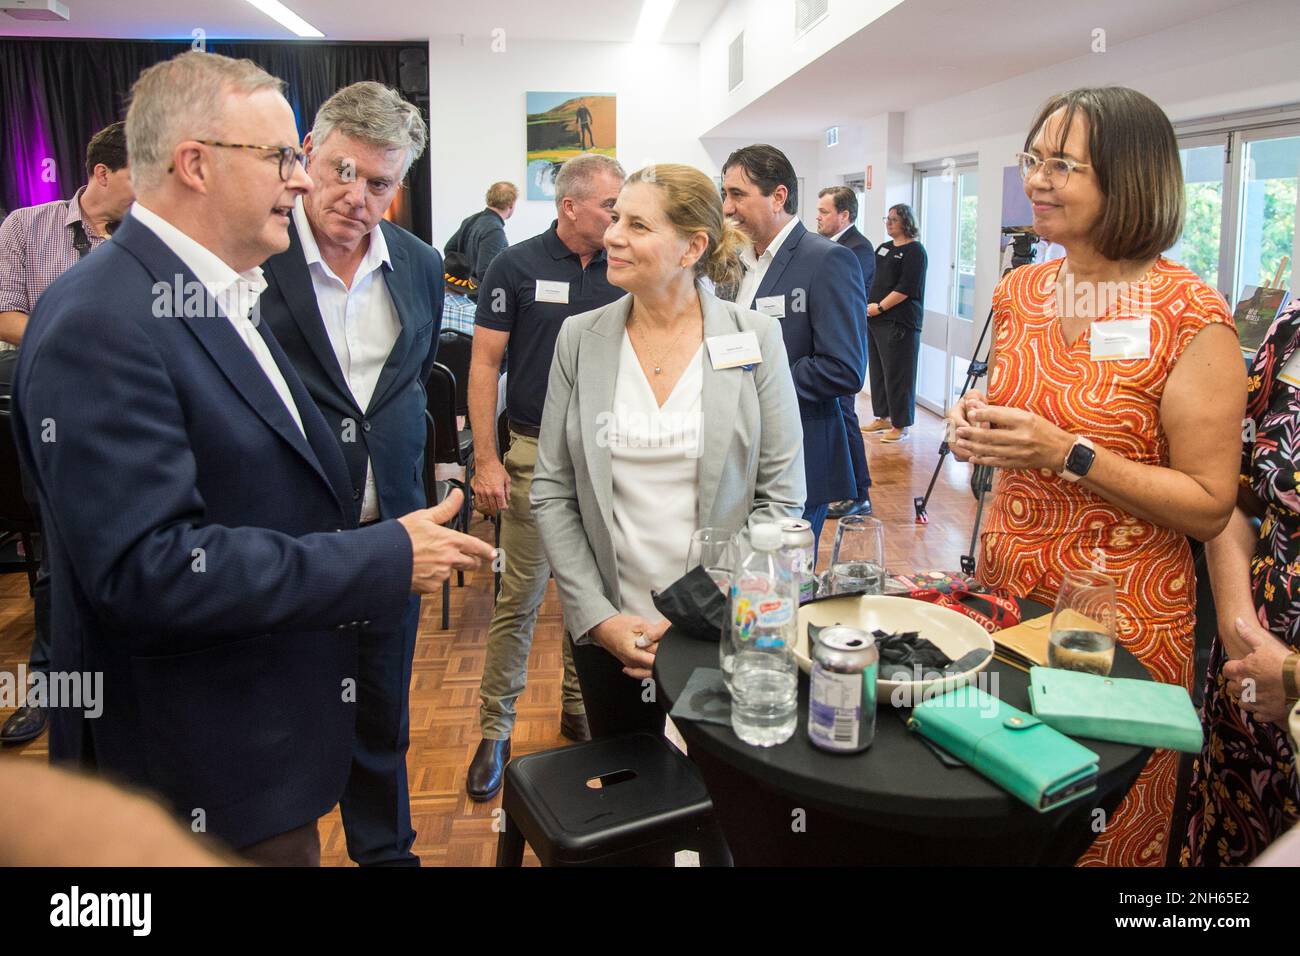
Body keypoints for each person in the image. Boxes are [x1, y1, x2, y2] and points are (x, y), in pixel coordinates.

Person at [10, 51, 494, 865]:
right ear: (194, 164)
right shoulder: (105, 318)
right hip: (195, 761)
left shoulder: (222, 291)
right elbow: (148, 569)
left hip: (255, 720)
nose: (302, 183)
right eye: (282, 158)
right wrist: (377, 555)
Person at [949, 85, 1245, 867]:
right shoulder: (1023, 292)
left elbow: (1212, 506)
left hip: (1120, 623)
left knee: (1095, 834)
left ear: (1131, 178)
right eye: (1033, 160)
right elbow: (1014, 413)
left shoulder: (1191, 315)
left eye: (1064, 165)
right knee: (1001, 804)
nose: (1038, 180)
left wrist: (1069, 453)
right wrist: (971, 425)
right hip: (1006, 593)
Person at [531, 163, 805, 736]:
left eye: (637, 224)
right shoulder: (580, 339)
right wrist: (598, 616)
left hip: (720, 626)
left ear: (692, 247)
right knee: (630, 789)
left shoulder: (753, 338)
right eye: (614, 218)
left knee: (716, 796)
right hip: (612, 632)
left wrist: (708, 610)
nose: (611, 235)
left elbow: (781, 499)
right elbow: (553, 492)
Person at [257, 81, 439, 867]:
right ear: (306, 157)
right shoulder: (253, 262)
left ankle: (386, 853)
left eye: (379, 183)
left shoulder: (423, 267)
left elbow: (409, 387)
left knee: (381, 719)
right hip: (279, 545)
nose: (355, 197)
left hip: (387, 540)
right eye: (340, 171)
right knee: (275, 721)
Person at [464, 153, 625, 800]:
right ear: (570, 207)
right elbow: (483, 365)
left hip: (609, 458)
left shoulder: (626, 265)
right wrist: (485, 458)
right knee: (520, 599)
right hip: (534, 454)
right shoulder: (516, 266)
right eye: (611, 206)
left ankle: (577, 707)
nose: (621, 216)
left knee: (594, 597)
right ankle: (495, 729)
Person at [0, 120, 134, 746]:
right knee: (55, 563)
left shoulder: (145, 239)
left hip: (129, 416)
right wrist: (77, 340)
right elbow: (4, 313)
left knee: (134, 553)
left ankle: (128, 687)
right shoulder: (26, 226)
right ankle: (53, 693)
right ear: (102, 174)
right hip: (52, 414)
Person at [1182, 297, 1300, 866]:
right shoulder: (1292, 328)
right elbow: (1232, 492)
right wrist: (1237, 631)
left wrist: (1295, 680)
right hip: (1248, 675)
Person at [721, 144, 866, 551]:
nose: (727, 207)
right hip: (739, 460)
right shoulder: (734, 262)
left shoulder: (827, 261)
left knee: (779, 589)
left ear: (779, 196)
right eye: (725, 194)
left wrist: (754, 378)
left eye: (737, 195)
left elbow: (844, 368)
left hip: (800, 458)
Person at [817, 185, 875, 519]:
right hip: (828, 344)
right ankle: (847, 488)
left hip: (845, 348)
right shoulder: (832, 245)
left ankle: (860, 493)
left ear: (845, 215)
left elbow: (848, 301)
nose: (818, 217)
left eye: (825, 212)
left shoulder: (858, 249)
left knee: (846, 417)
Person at [865, 204, 927, 443]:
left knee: (899, 374)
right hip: (876, 319)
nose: (888, 223)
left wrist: (880, 307)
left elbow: (906, 289)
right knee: (879, 371)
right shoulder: (884, 248)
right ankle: (883, 416)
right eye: (887, 218)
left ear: (906, 222)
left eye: (893, 219)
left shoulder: (915, 252)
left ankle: (901, 424)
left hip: (899, 323)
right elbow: (873, 278)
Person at [444, 181, 516, 294]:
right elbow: (485, 272)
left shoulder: (471, 220)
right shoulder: (495, 231)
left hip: (462, 290)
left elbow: (449, 249)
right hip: (477, 297)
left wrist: (460, 279)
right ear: (511, 205)